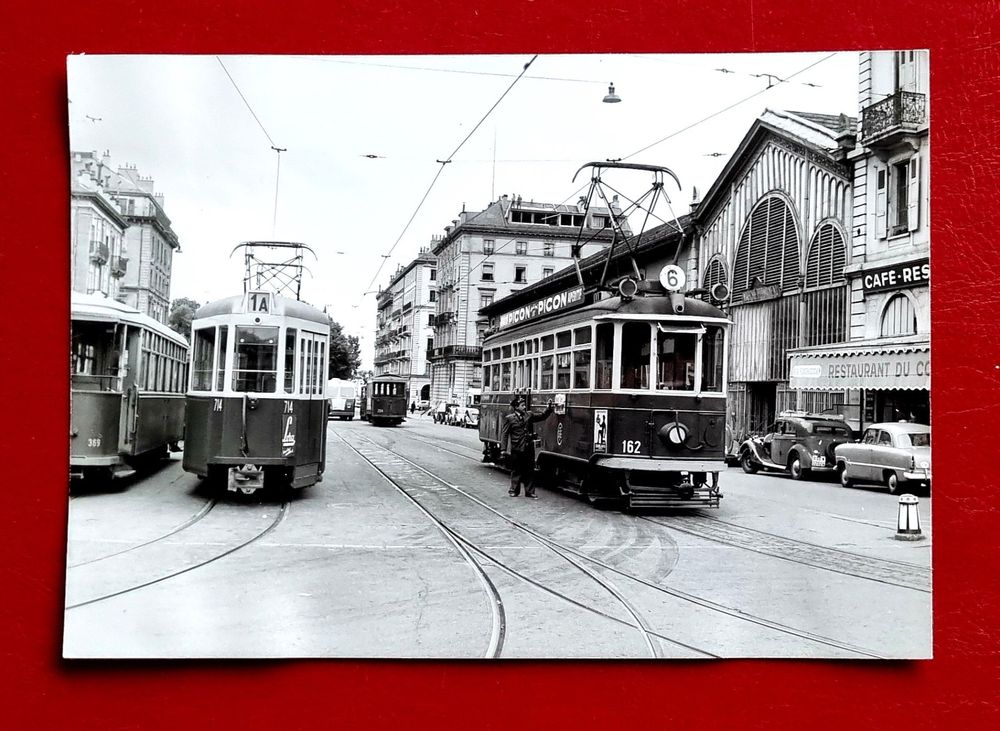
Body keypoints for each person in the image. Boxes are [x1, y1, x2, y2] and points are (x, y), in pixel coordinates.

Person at [500, 395, 555, 499]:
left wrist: (549, 408)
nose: (524, 407)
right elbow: (505, 434)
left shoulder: (528, 415)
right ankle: (514, 490)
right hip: (517, 448)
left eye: (524, 405)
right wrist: (503, 449)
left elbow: (542, 416)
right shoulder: (510, 419)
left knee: (529, 470)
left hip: (528, 447)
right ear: (516, 407)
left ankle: (529, 492)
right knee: (516, 470)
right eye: (522, 405)